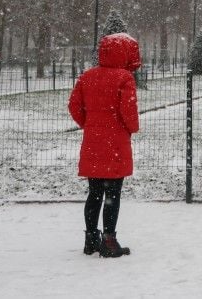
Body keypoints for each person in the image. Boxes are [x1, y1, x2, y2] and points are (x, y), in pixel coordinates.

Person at [69, 32, 141, 258]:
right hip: (116, 143)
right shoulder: (124, 78)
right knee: (113, 193)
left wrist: (89, 124)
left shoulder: (87, 76)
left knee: (94, 193)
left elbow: (74, 106)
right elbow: (128, 112)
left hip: (93, 143)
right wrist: (131, 128)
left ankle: (91, 238)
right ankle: (109, 240)